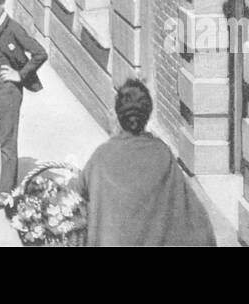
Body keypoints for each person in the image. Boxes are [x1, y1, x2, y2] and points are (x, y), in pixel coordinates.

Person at [78, 79, 217, 246]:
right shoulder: (162, 154)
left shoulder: (101, 156)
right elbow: (191, 214)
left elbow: (80, 191)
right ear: (147, 114)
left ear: (118, 115)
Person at [0, 0, 47, 209]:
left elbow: (39, 53)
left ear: (3, 2)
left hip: (8, 91)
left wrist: (20, 74)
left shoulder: (12, 27)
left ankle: (6, 193)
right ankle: (4, 186)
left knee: (7, 142)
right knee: (3, 139)